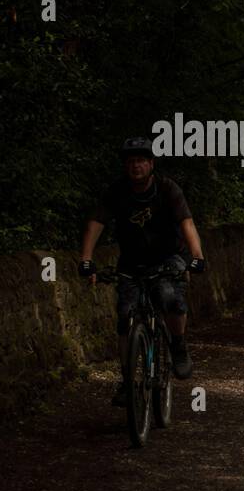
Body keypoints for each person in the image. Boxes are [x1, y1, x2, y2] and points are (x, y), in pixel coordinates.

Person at [79, 136, 206, 406]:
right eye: (130, 161)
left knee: (171, 297)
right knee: (126, 318)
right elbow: (95, 223)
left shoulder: (167, 189)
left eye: (140, 161)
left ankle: (178, 346)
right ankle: (127, 381)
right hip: (132, 262)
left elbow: (187, 223)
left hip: (168, 257)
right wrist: (87, 260)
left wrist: (197, 257)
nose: (135, 166)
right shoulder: (117, 192)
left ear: (151, 164)